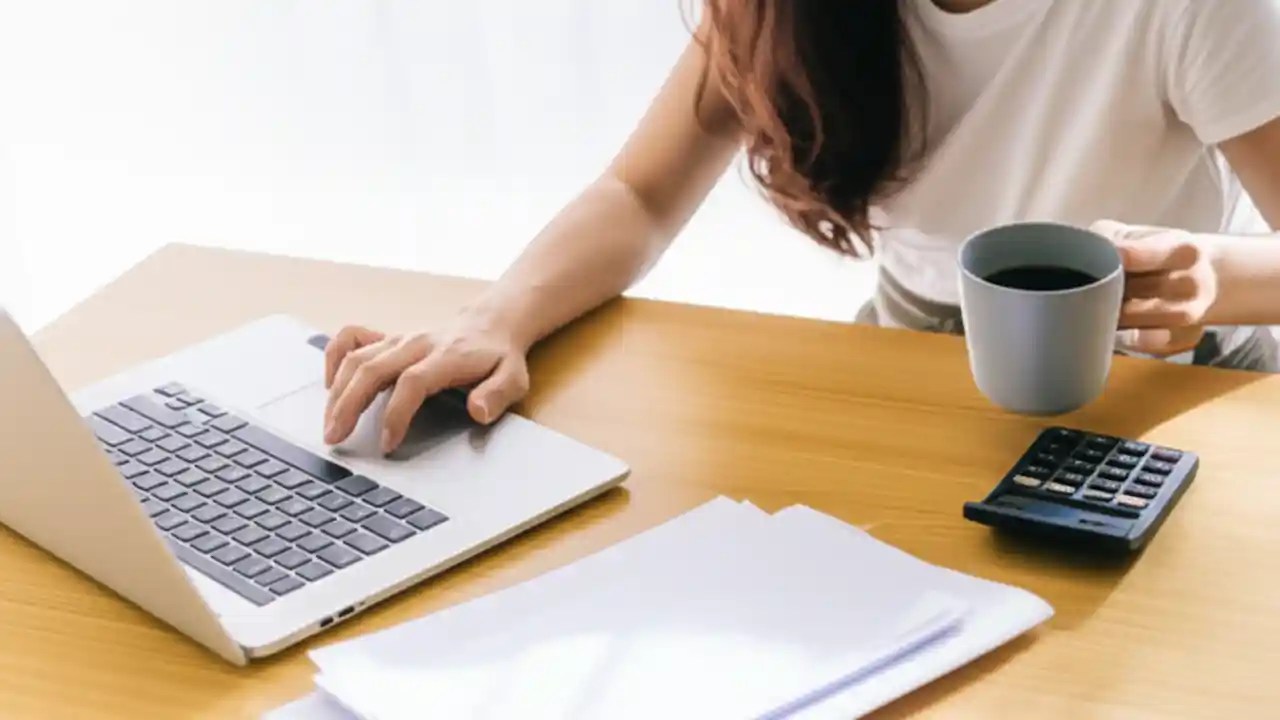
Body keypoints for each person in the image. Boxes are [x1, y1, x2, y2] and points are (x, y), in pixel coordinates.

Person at [323, 0, 1280, 454]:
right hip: (912, 364)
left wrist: (1217, 276)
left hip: (1163, 380)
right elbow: (641, 192)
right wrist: (496, 318)